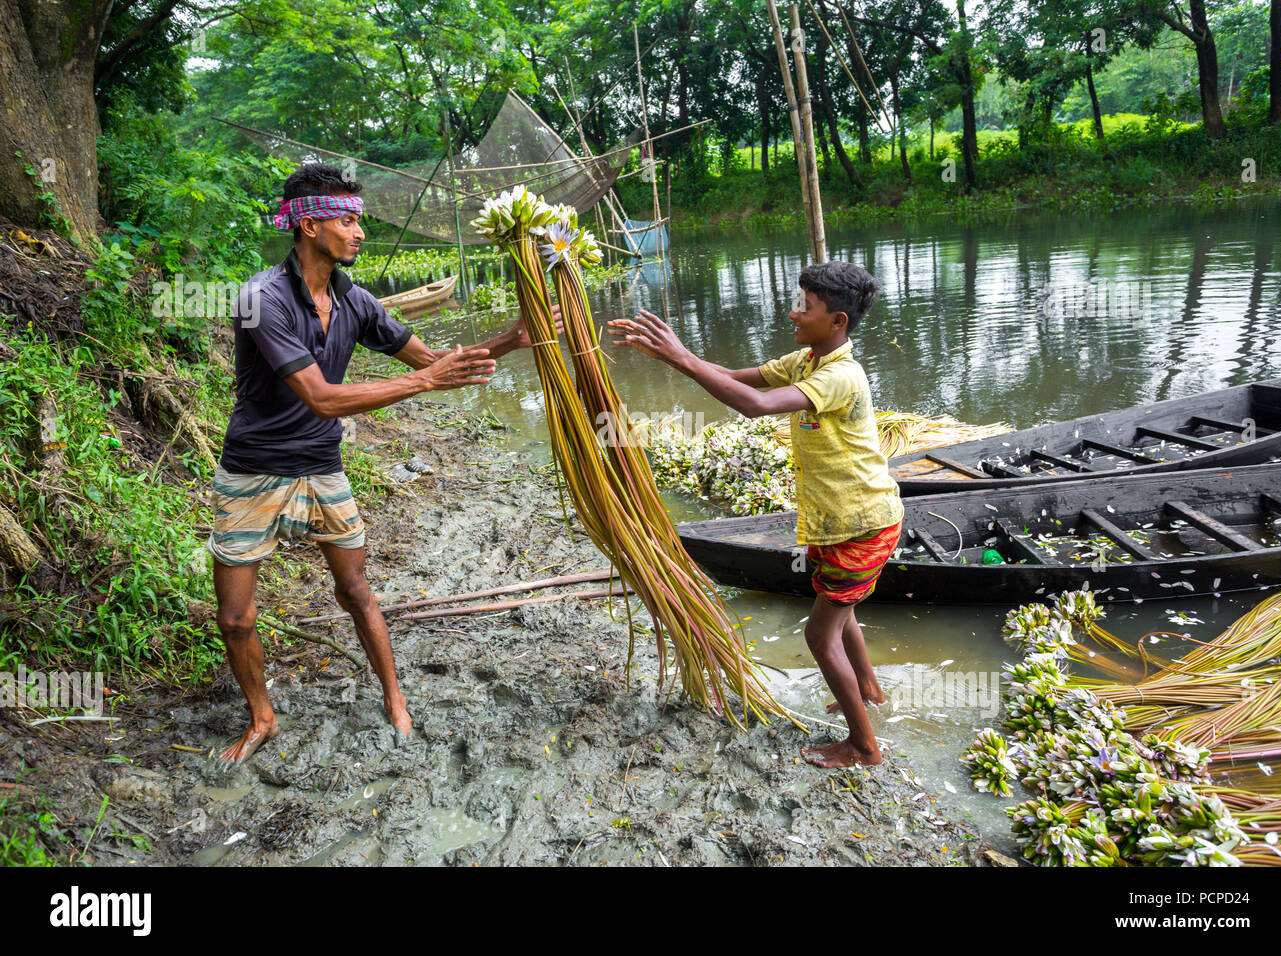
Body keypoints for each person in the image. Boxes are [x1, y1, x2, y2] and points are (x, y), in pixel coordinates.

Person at [210, 163, 549, 763]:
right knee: (236, 618)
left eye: (359, 220)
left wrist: (509, 338)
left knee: (357, 591)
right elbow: (321, 396)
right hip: (253, 470)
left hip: (321, 466)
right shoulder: (262, 300)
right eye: (348, 221)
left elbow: (435, 359)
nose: (360, 232)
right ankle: (262, 717)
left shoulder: (354, 299)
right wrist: (424, 381)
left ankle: (394, 697)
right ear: (310, 226)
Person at [607, 261, 904, 769]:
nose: (793, 313)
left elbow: (755, 405)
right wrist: (673, 357)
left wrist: (682, 356)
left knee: (819, 632)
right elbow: (733, 379)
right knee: (839, 608)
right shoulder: (808, 360)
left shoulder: (841, 377)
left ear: (837, 321)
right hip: (841, 520)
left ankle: (864, 746)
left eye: (804, 308)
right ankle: (868, 687)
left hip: (862, 523)